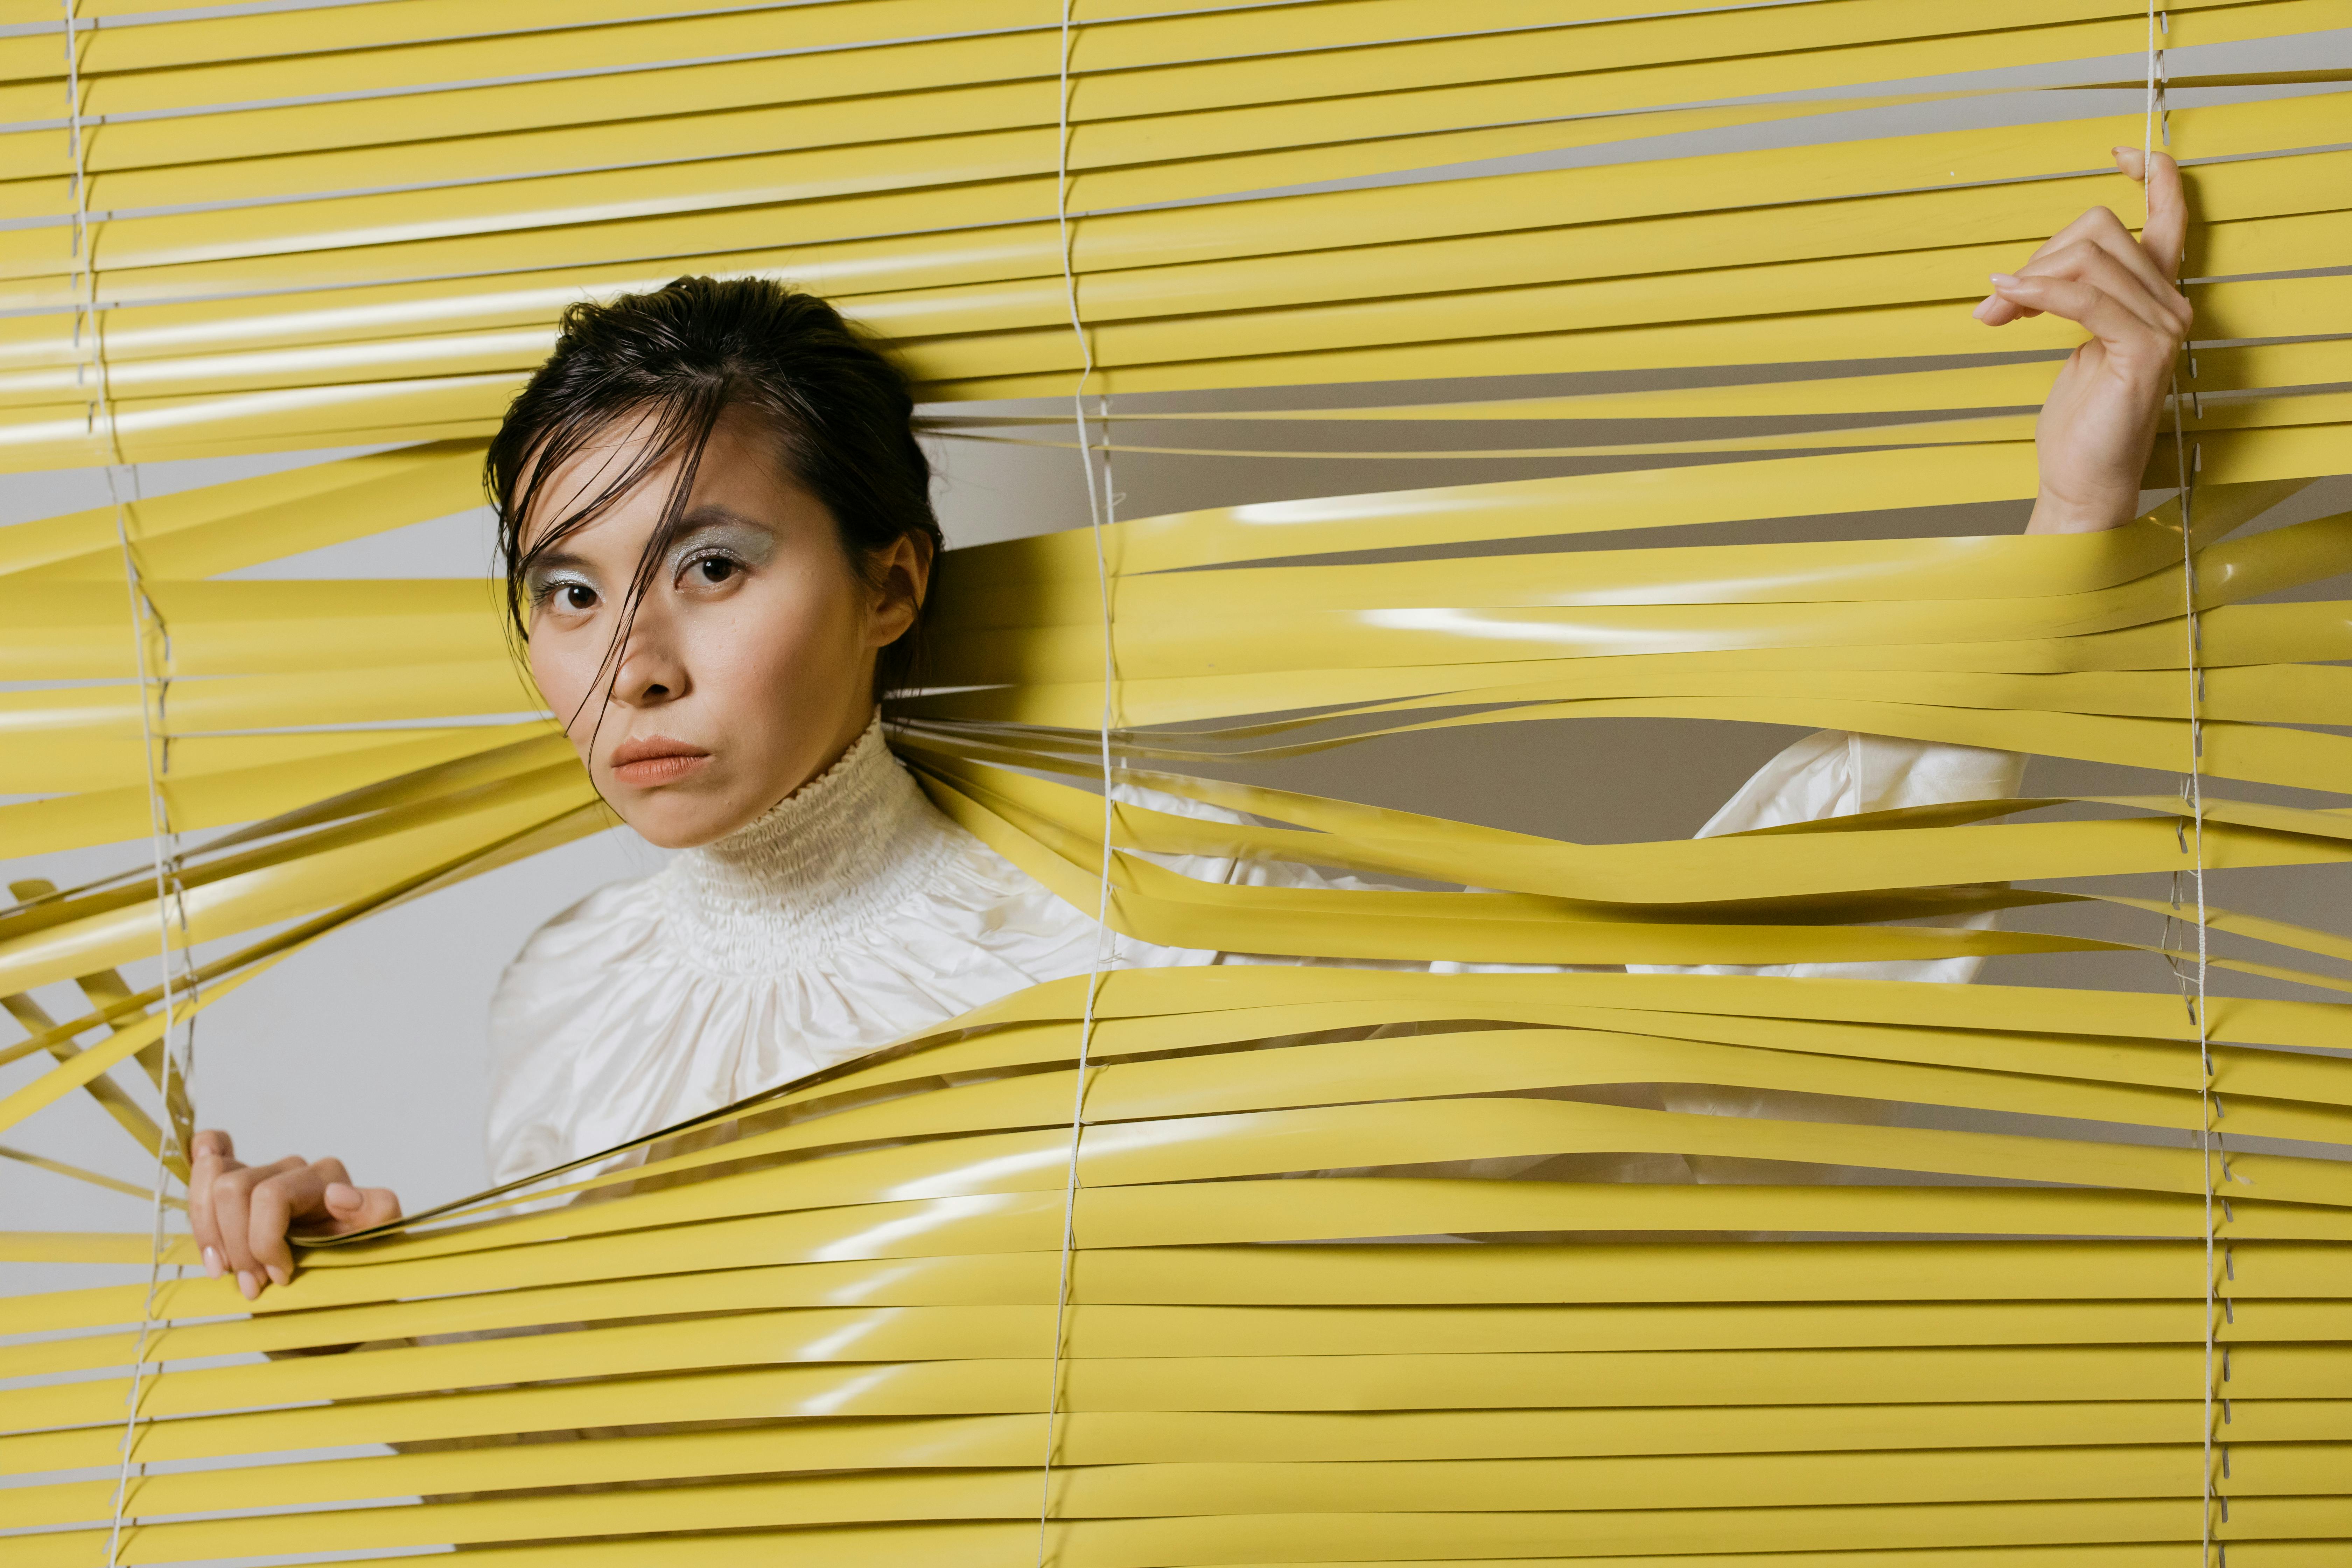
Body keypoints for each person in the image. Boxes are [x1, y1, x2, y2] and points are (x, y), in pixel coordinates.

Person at [189, 148, 2196, 1301]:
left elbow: (1676, 1028)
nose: (624, 662)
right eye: (565, 591)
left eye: (711, 567)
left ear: (893, 582)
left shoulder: (1159, 889)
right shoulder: (565, 994)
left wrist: (2067, 518)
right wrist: (367, 1282)